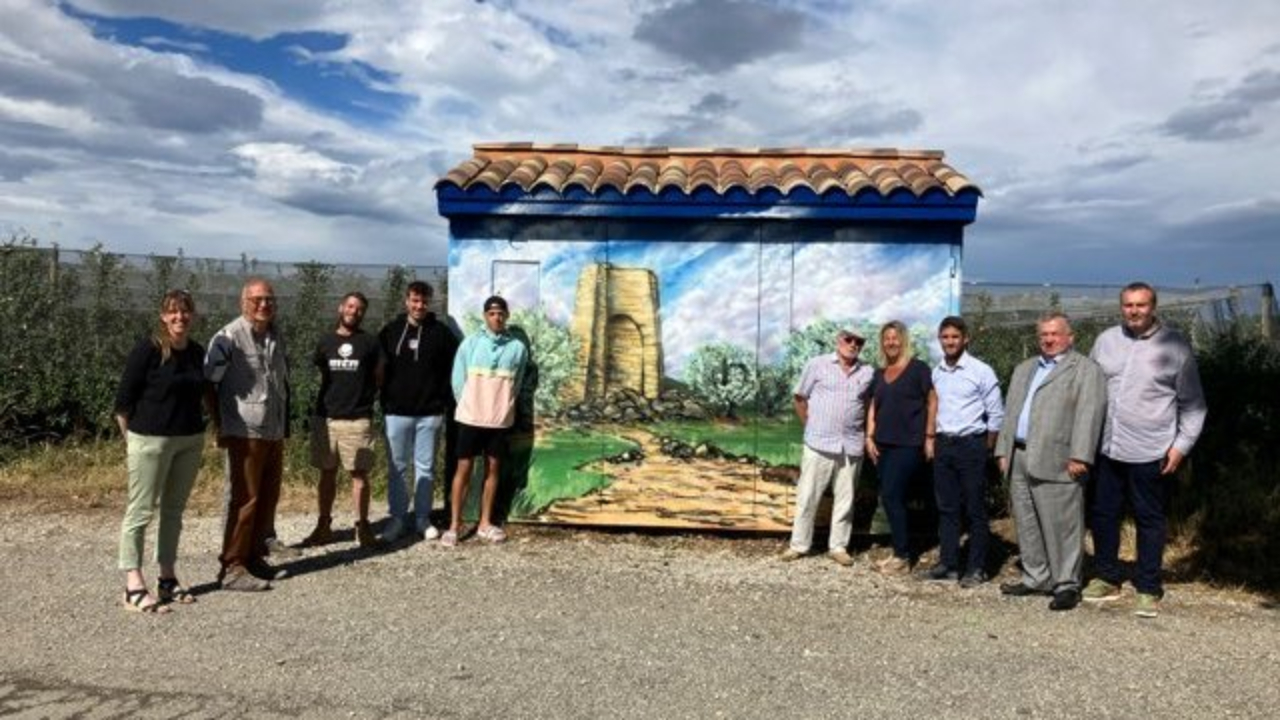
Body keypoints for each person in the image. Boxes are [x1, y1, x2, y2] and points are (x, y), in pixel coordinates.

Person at [1084, 282, 1207, 618]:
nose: (1134, 311)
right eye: (1128, 305)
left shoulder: (1176, 346)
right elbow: (1090, 389)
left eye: (1140, 305)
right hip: (1107, 446)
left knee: (1149, 519)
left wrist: (1180, 448)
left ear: (1153, 307)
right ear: (1120, 307)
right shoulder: (1106, 341)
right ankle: (1107, 576)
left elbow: (1194, 405)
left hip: (1152, 450)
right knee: (1103, 514)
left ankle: (1148, 586)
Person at [994, 312, 1106, 611]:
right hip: (1019, 455)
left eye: (1055, 333)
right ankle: (1036, 577)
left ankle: (1066, 584)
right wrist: (1003, 450)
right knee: (1027, 521)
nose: (1049, 339)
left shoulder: (1085, 370)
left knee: (1063, 525)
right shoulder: (1024, 369)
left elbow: (1089, 414)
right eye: (1043, 334)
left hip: (1059, 457)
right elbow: (1011, 412)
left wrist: (1081, 455)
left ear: (1070, 337)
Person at [113, 289, 209, 613]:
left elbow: (204, 394)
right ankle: (133, 585)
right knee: (140, 512)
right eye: (172, 312)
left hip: (189, 441)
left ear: (192, 316)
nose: (179, 317)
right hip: (149, 441)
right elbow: (124, 400)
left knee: (173, 513)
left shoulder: (197, 352)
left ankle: (166, 578)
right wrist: (133, 441)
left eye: (185, 312)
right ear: (162, 316)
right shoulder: (149, 350)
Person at [205, 278, 291, 591]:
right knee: (244, 499)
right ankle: (232, 567)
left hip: (273, 430)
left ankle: (254, 557)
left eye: (269, 299)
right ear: (244, 303)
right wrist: (220, 425)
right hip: (244, 430)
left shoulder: (276, 336)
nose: (264, 304)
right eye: (257, 299)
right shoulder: (228, 337)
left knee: (267, 498)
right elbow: (209, 383)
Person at [918, 316, 1004, 588]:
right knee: (946, 508)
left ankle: (976, 567)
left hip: (971, 445)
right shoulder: (937, 373)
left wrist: (985, 448)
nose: (950, 342)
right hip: (945, 445)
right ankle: (949, 564)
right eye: (945, 337)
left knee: (975, 509)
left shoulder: (981, 371)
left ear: (965, 339)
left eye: (955, 337)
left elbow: (996, 415)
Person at [781, 328, 874, 566]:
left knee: (845, 499)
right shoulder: (817, 364)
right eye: (848, 339)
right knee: (807, 496)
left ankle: (838, 546)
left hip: (851, 445)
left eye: (858, 341)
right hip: (819, 443)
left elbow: (868, 405)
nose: (853, 344)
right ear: (838, 340)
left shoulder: (867, 372)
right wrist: (810, 425)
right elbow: (800, 397)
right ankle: (799, 545)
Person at [442, 295, 529, 547]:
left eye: (501, 313)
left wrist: (503, 406)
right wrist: (469, 404)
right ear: (485, 316)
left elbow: (518, 382)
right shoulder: (470, 344)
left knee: (493, 470)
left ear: (507, 316)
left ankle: (484, 524)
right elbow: (458, 381)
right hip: (470, 417)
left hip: (499, 420)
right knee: (464, 469)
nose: (497, 317)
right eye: (492, 313)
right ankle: (454, 526)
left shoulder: (518, 348)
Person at [377, 281, 459, 543]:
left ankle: (422, 518)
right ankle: (398, 518)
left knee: (425, 468)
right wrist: (384, 400)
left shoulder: (442, 334)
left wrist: (443, 402)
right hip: (396, 412)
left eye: (424, 301)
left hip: (430, 413)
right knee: (397, 468)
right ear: (406, 301)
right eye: (414, 300)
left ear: (430, 303)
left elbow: (454, 371)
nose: (419, 306)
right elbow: (378, 369)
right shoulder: (390, 332)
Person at [300, 292, 384, 548]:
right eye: (350, 306)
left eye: (359, 309)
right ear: (341, 308)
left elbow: (379, 376)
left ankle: (363, 527)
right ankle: (324, 526)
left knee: (359, 475)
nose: (354, 311)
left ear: (363, 314)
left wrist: (363, 400)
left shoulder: (370, 343)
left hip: (357, 419)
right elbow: (321, 373)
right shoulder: (325, 341)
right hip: (326, 418)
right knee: (327, 473)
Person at [865, 320, 937, 575]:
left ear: (903, 340)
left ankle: (902, 556)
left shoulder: (918, 369)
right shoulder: (879, 373)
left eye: (895, 338)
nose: (890, 342)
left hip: (908, 445)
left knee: (894, 496)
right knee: (890, 497)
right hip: (882, 444)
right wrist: (869, 436)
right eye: (886, 338)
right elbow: (874, 405)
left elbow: (932, 399)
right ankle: (898, 550)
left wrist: (929, 435)